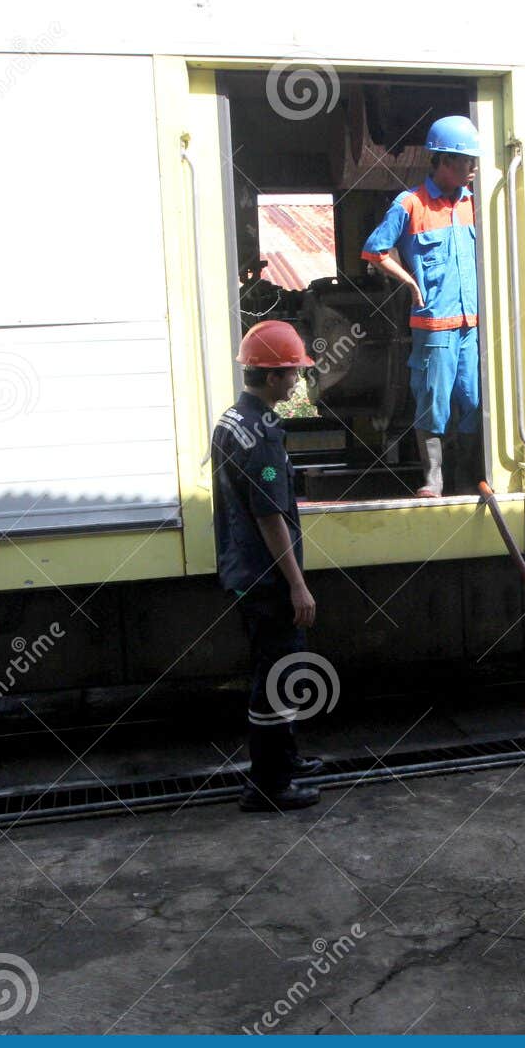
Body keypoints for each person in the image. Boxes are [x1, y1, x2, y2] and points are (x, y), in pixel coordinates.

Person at [211, 320, 324, 812]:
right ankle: (268, 786)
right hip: (268, 578)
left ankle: (286, 760)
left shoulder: (231, 420)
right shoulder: (263, 435)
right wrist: (297, 586)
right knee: (276, 676)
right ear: (274, 376)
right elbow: (269, 515)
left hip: (244, 569)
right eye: (294, 372)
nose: (298, 380)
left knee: (275, 668)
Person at [361, 115, 482, 498]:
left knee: (474, 402)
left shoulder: (473, 204)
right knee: (433, 404)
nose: (471, 169)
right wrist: (410, 280)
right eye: (465, 163)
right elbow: (374, 249)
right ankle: (434, 480)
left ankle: (466, 478)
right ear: (444, 162)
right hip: (432, 328)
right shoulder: (410, 204)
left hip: (471, 326)